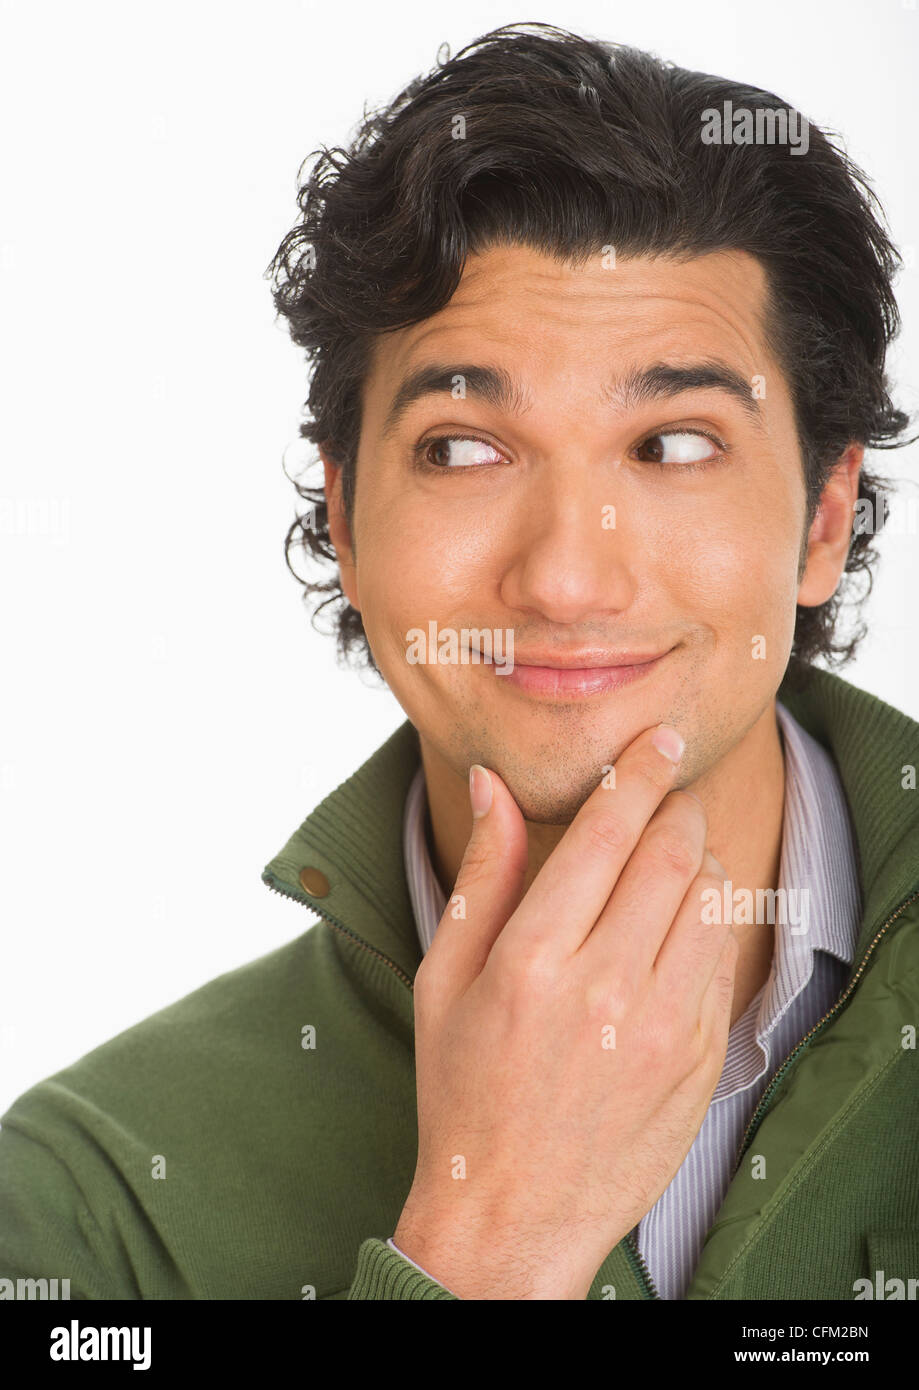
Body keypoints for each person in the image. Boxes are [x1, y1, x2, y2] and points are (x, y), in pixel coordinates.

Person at [2, 22, 917, 1301]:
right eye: (464, 447)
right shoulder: (85, 1212)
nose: (566, 577)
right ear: (347, 519)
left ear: (823, 519)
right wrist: (487, 1247)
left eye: (672, 446)